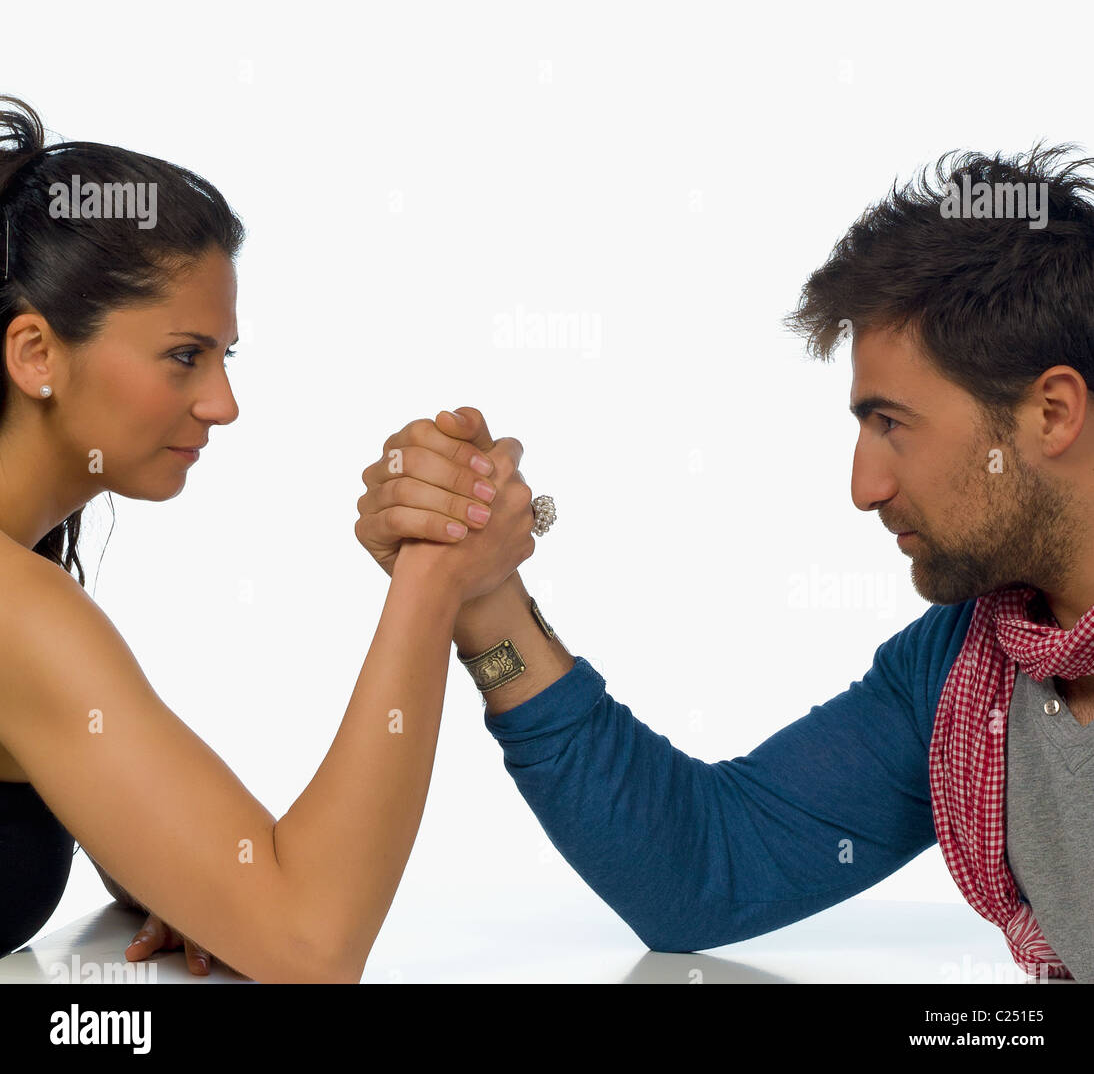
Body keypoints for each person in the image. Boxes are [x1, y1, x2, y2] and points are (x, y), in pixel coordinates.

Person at [354, 145, 1094, 985]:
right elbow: (704, 870)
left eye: (892, 423)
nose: (864, 487)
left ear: (1052, 412)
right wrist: (485, 599)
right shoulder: (967, 671)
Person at [0, 94, 538, 982]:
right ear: (35, 354)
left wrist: (205, 886)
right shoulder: (17, 608)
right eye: (184, 355)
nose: (223, 403)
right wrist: (435, 574)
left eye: (226, 358)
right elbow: (310, 945)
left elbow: (141, 831)